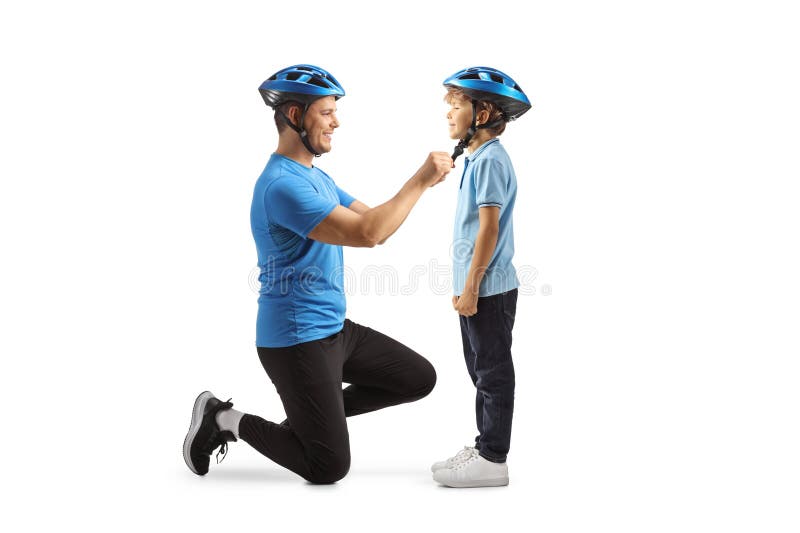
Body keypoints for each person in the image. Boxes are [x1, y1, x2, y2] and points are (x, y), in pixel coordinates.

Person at [182, 64, 452, 484]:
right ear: (295, 115)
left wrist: (422, 187)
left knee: (417, 378)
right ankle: (222, 418)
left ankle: (312, 422)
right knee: (327, 467)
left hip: (333, 331)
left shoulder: (314, 177)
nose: (336, 122)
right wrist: (418, 180)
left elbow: (376, 222)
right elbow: (367, 234)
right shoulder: (282, 186)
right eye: (326, 112)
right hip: (296, 341)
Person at [431, 66, 532, 488]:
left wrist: (472, 287)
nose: (447, 112)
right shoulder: (477, 159)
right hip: (475, 288)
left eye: (455, 105)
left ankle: (494, 458)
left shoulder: (490, 160)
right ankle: (483, 445)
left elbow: (489, 229)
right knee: (480, 372)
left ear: (483, 113)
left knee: (493, 374)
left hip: (487, 289)